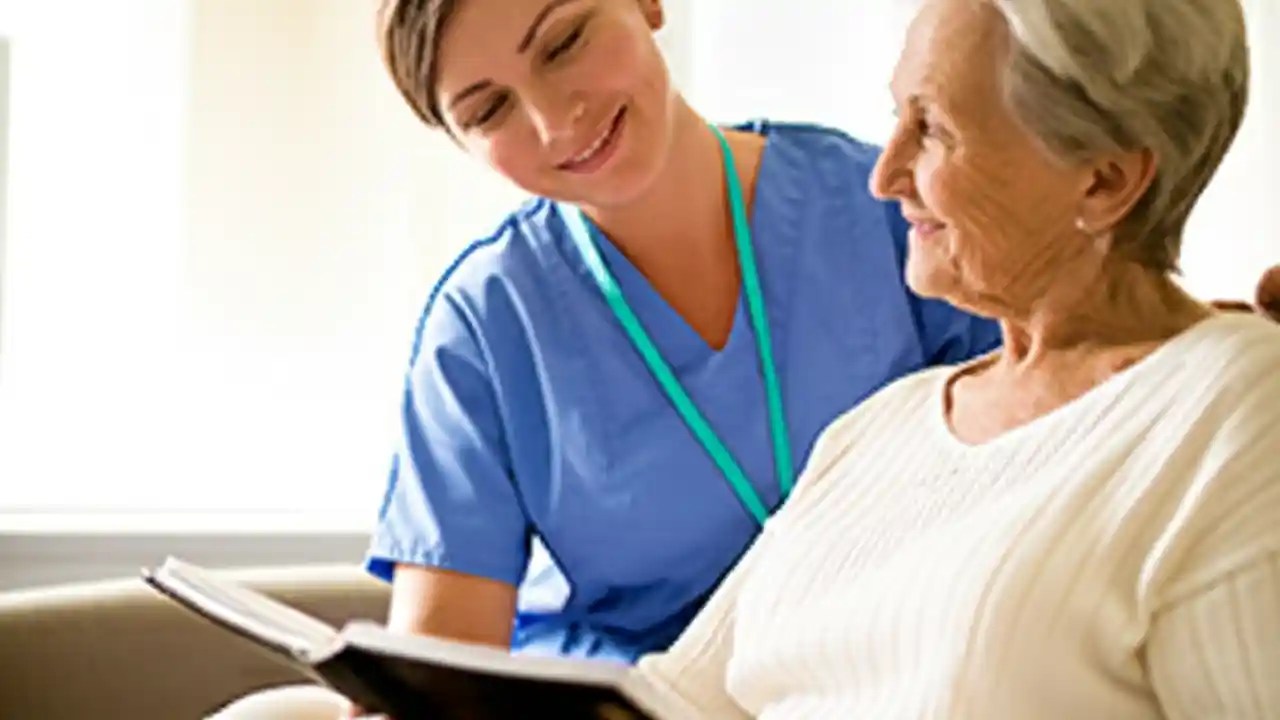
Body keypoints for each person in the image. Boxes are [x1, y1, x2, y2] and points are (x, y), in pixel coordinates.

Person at [207, 0, 1277, 716]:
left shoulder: (920, 244)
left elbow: (1087, 375)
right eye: (485, 109)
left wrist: (1211, 357)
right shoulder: (492, 326)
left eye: (566, 39)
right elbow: (464, 671)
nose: (551, 115)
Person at [626, 0, 1280, 716]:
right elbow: (674, 701)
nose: (885, 175)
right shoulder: (880, 428)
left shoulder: (1234, 411)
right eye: (897, 117)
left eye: (933, 129)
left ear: (1105, 180)